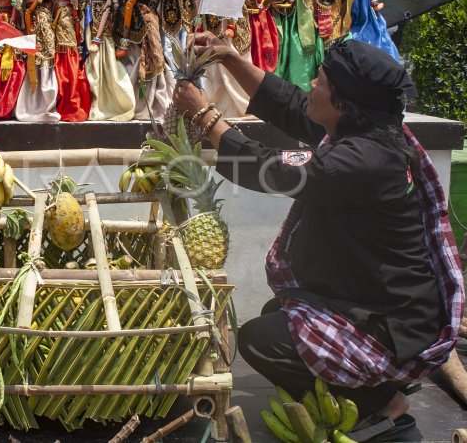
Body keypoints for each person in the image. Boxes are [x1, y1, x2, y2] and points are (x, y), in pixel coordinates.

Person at [172, 32, 464, 442]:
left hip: (391, 324)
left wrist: (206, 117)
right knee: (279, 311)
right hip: (374, 303)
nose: (311, 84)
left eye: (321, 80)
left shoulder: (364, 159)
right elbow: (290, 105)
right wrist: (232, 59)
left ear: (344, 102)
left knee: (260, 340)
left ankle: (379, 402)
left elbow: (277, 169)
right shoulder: (362, 132)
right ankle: (366, 393)